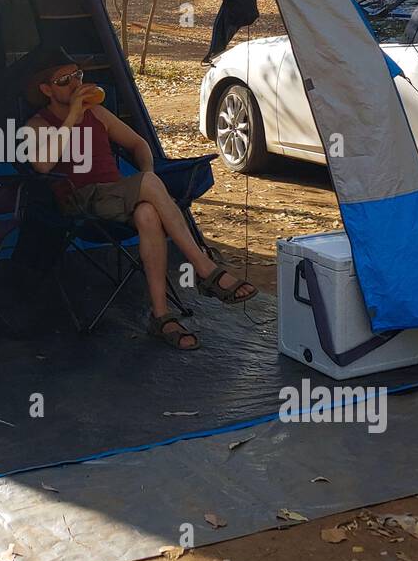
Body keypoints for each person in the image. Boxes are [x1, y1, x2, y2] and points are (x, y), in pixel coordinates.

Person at [24, 48, 256, 351]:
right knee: (147, 188)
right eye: (65, 80)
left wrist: (149, 178)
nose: (75, 84)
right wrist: (72, 118)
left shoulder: (98, 113)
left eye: (78, 76)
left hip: (116, 196)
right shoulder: (37, 125)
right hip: (79, 203)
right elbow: (42, 165)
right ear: (46, 90)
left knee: (148, 213)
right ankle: (205, 269)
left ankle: (160, 316)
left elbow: (138, 143)